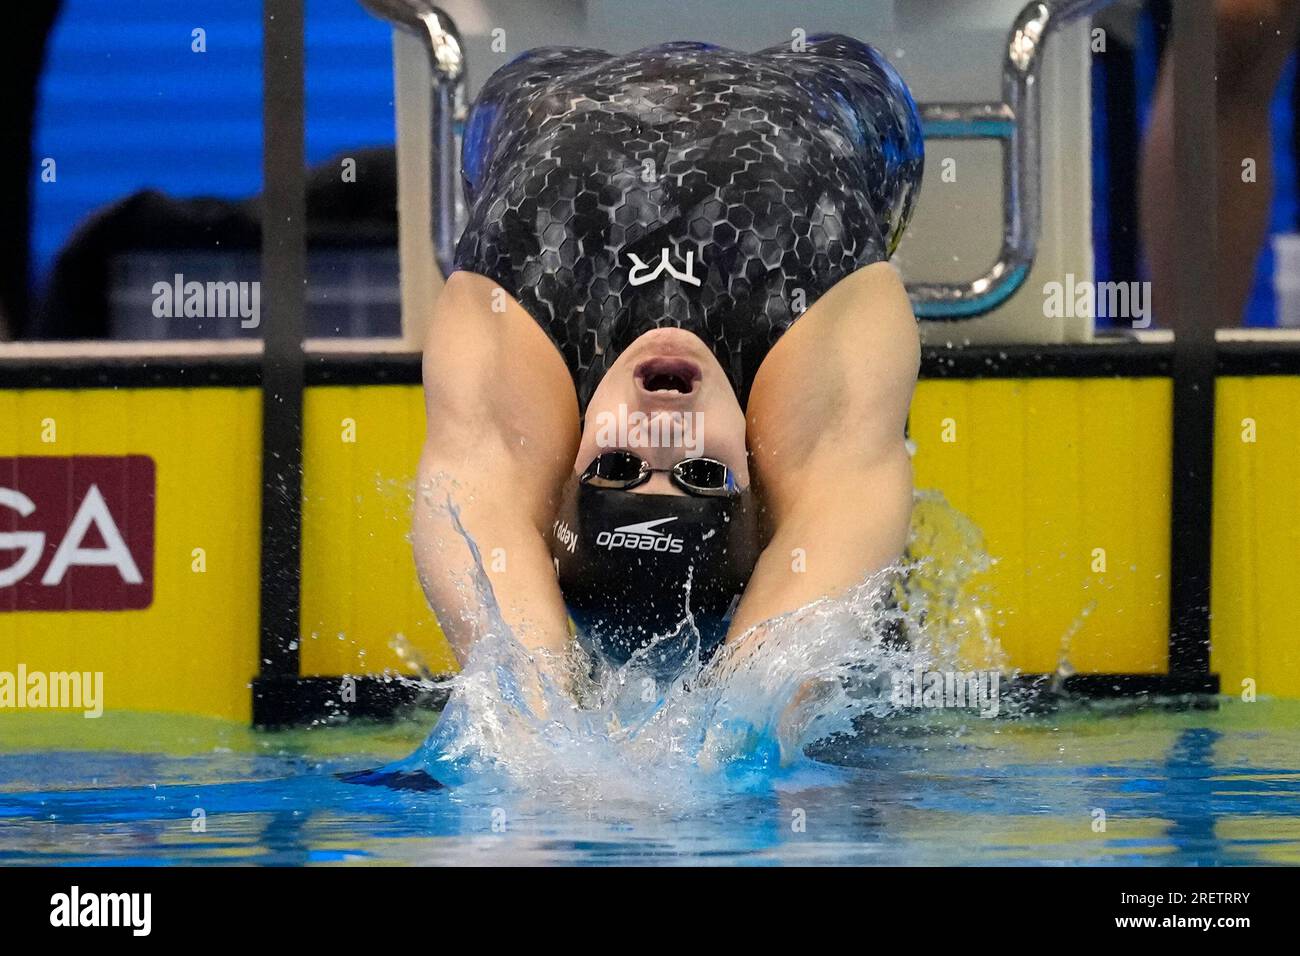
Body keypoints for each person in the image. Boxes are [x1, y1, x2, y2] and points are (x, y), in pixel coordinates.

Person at [413, 35, 923, 695]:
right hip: (835, 88)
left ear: (561, 475)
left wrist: (551, 733)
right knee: (847, 481)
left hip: (543, 89)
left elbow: (484, 537)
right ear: (758, 494)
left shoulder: (523, 325)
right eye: (703, 474)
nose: (664, 425)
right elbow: (768, 688)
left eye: (618, 468)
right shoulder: (809, 323)